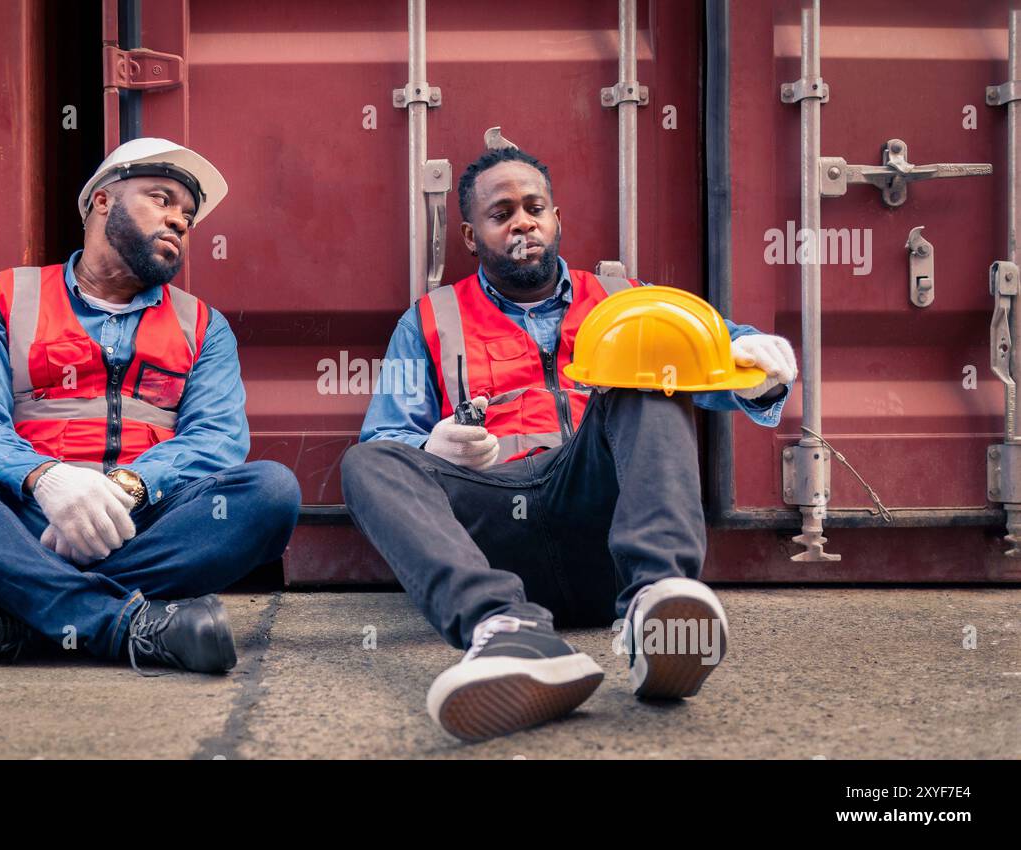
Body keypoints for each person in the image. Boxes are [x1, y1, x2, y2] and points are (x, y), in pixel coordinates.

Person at [340, 146, 797, 742]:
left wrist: (755, 366)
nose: (522, 223)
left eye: (535, 209)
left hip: (600, 529)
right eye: (501, 213)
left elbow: (713, 350)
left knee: (650, 377)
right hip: (493, 533)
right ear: (471, 236)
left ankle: (657, 605)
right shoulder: (427, 319)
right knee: (366, 462)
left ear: (557, 219)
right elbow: (386, 436)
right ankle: (506, 632)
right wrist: (431, 447)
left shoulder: (624, 300)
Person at [0, 138, 301, 676]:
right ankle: (126, 623)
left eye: (188, 215)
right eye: (161, 199)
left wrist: (127, 488)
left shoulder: (204, 327)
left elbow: (216, 441)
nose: (180, 221)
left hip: (143, 523)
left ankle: (15, 613)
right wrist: (47, 481)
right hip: (22, 520)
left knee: (271, 493)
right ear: (102, 201)